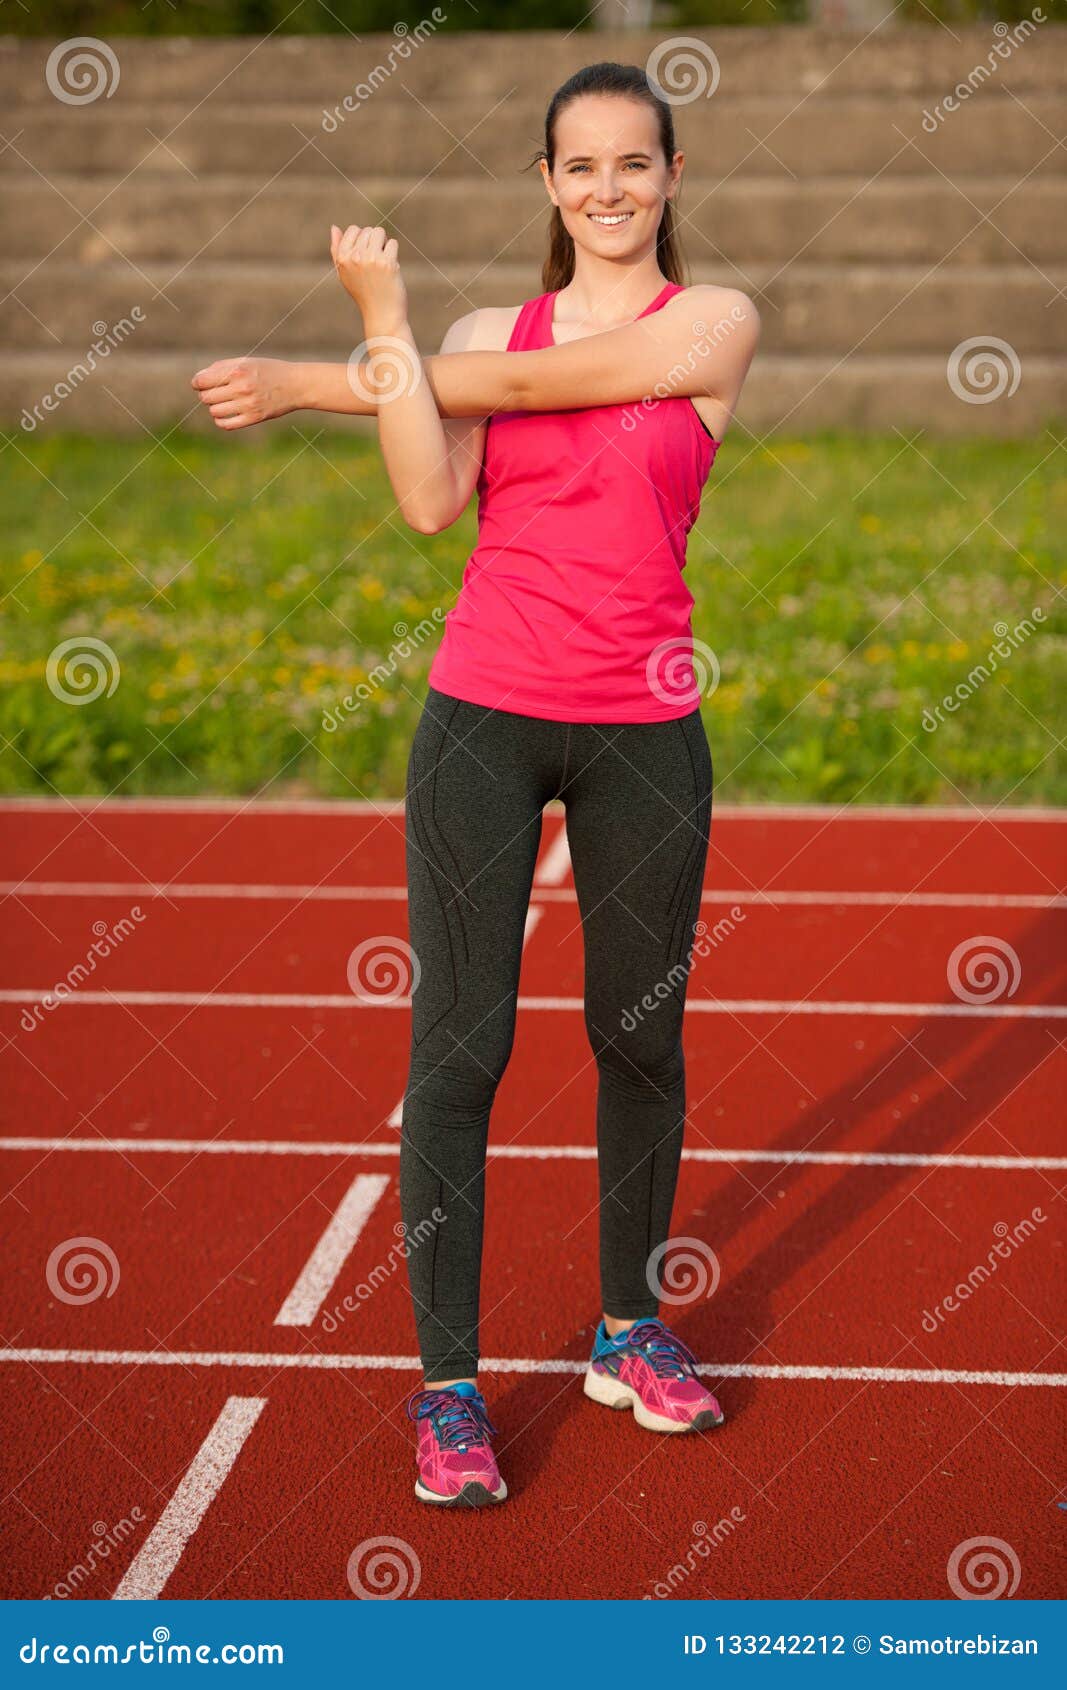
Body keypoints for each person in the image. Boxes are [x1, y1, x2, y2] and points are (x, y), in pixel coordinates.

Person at [192, 61, 760, 1510]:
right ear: (549, 182)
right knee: (460, 1051)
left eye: (637, 163)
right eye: (583, 166)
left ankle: (630, 1329)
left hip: (645, 730)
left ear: (672, 178)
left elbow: (523, 386)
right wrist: (392, 340)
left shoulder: (711, 322)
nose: (611, 188)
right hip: (482, 720)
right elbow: (431, 498)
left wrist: (340, 363)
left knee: (640, 1040)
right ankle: (448, 1387)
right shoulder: (468, 329)